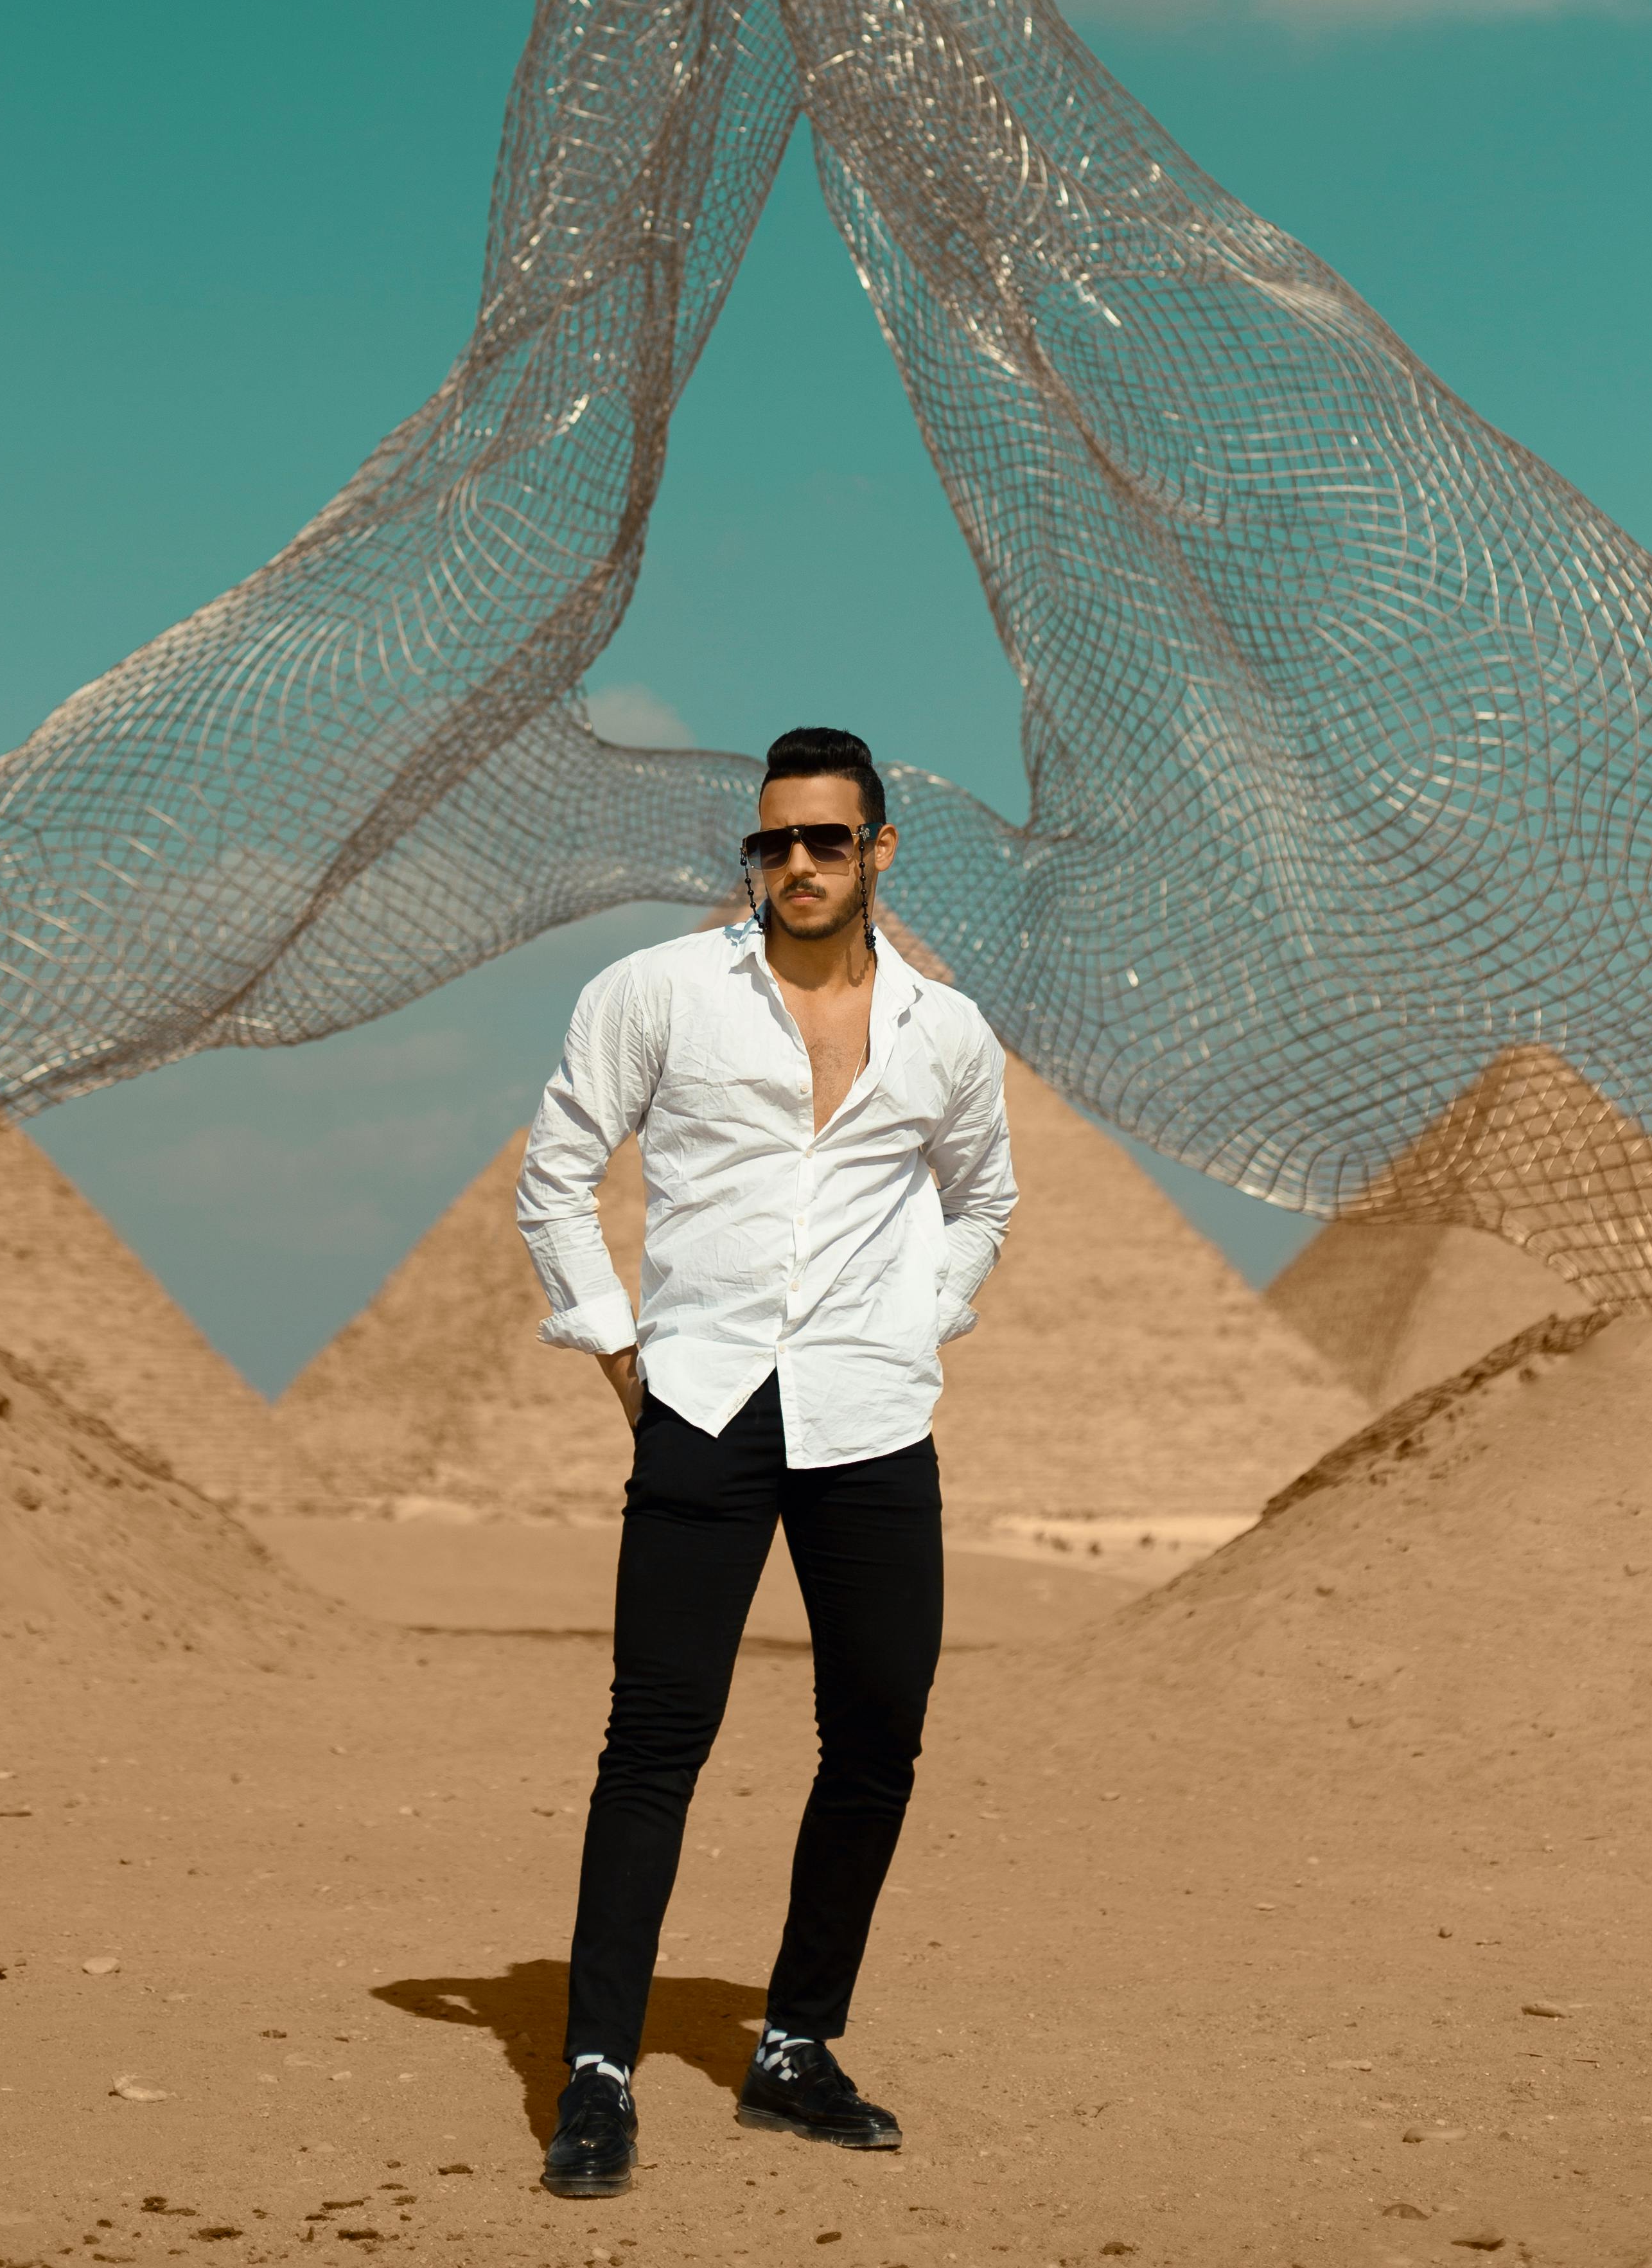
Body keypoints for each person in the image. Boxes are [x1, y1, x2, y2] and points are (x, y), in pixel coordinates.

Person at [517, 725, 1017, 2201]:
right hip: (708, 1405)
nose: (797, 863)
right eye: (773, 841)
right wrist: (620, 1351)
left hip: (872, 1420)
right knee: (656, 1739)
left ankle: (795, 2043)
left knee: (878, 1735)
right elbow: (557, 1171)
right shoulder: (659, 992)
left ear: (879, 851)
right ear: (753, 850)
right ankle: (597, 2072)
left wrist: (919, 1323)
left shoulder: (950, 1031)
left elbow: (983, 1198)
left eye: (826, 840)